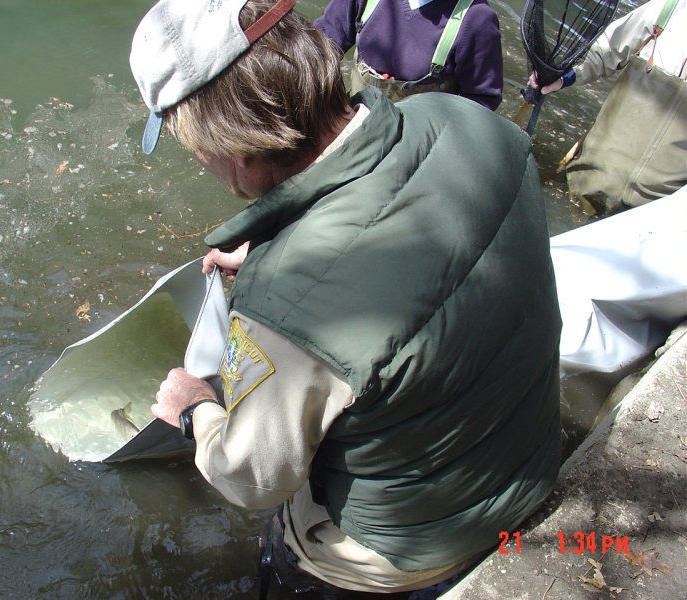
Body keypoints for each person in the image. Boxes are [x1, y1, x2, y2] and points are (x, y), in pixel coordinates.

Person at [130, 0, 561, 596]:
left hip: (403, 554)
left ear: (237, 152)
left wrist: (193, 407)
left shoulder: (287, 307)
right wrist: (281, 248)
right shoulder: (468, 121)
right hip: (523, 476)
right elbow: (412, 251)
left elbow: (252, 478)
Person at [533, 0, 686, 214]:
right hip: (589, 178)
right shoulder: (668, 10)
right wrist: (563, 77)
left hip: (656, 211)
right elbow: (603, 52)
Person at [314, 0, 504, 110]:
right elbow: (321, 43)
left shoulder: (477, 20)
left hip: (416, 148)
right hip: (355, 119)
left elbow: (481, 102)